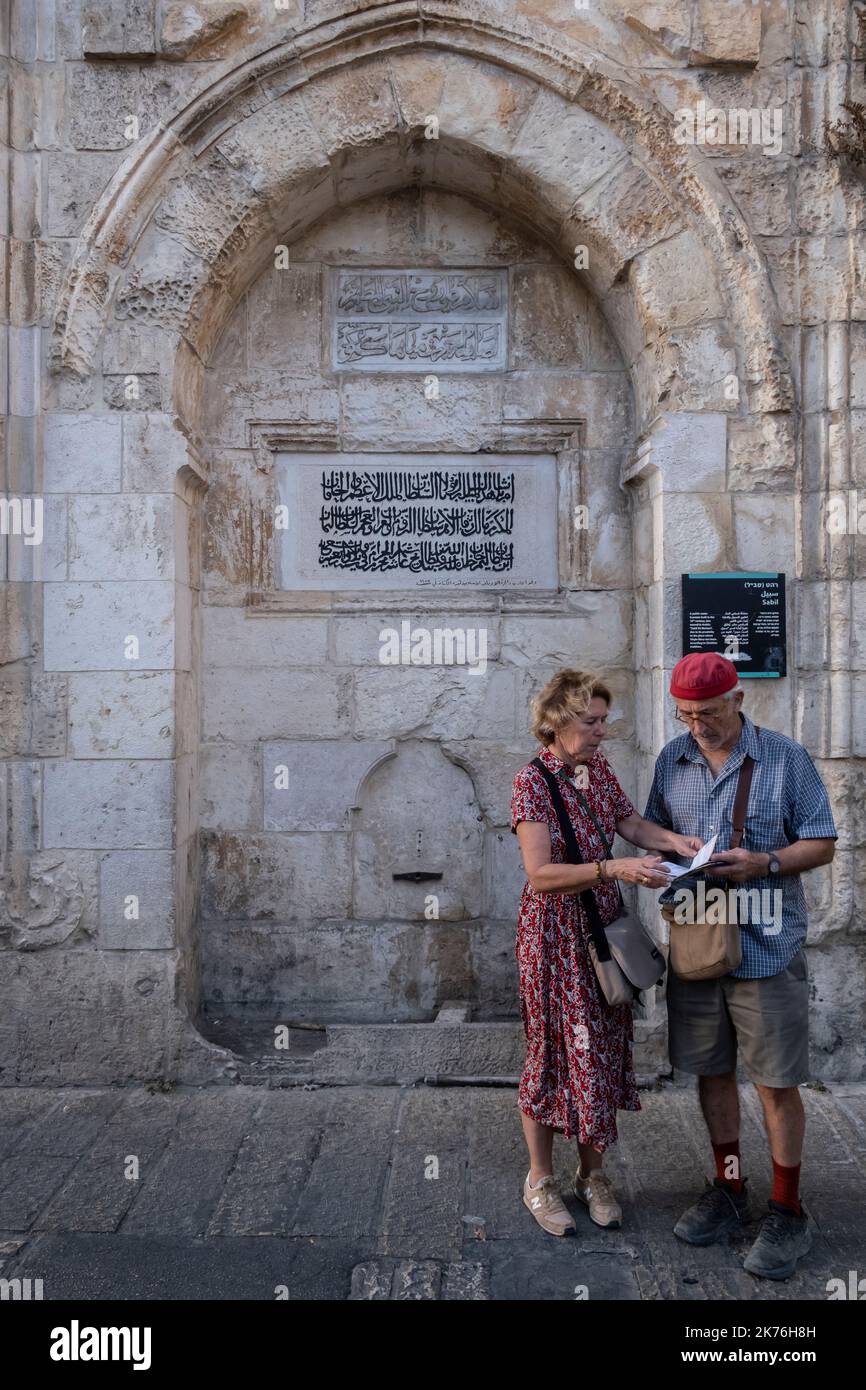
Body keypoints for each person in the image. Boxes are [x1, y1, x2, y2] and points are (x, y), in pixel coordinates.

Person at [643, 651, 837, 1279]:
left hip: (767, 947)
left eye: (708, 714)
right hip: (699, 946)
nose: (697, 726)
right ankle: (729, 1186)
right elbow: (655, 829)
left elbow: (822, 840)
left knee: (777, 1084)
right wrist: (664, 861)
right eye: (686, 715)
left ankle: (788, 1210)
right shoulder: (671, 759)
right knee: (712, 1074)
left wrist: (766, 864)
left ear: (738, 701)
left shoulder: (785, 758)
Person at [511, 668, 701, 1236]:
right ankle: (540, 1179)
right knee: (551, 1053)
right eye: (591, 722)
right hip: (553, 937)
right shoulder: (532, 782)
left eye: (602, 720)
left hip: (602, 929)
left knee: (602, 1049)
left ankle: (591, 1174)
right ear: (559, 722)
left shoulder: (596, 770)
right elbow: (540, 874)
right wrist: (612, 868)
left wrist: (675, 842)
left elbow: (627, 822)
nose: (601, 732)